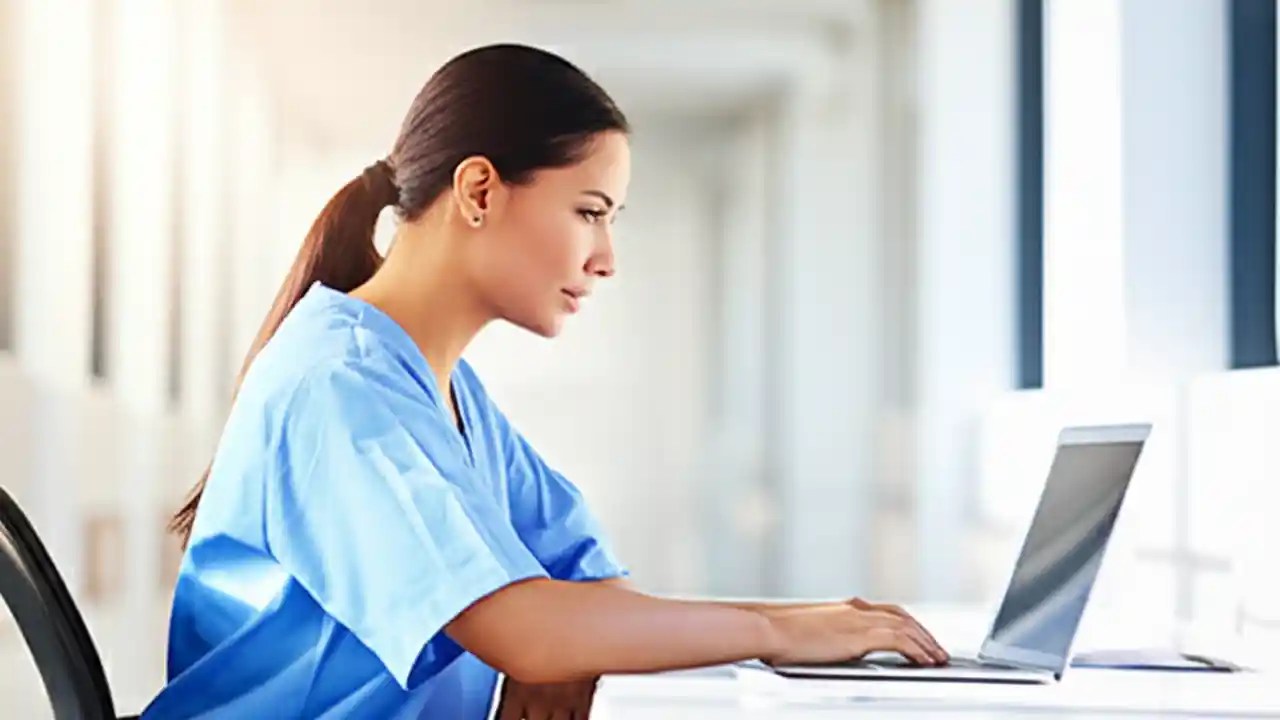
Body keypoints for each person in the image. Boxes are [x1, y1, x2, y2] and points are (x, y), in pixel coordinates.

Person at [145, 43, 948, 720]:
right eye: (589, 212)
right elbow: (528, 632)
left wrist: (816, 619)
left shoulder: (445, 394)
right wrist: (781, 634)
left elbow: (591, 599)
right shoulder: (339, 385)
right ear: (480, 191)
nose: (605, 260)